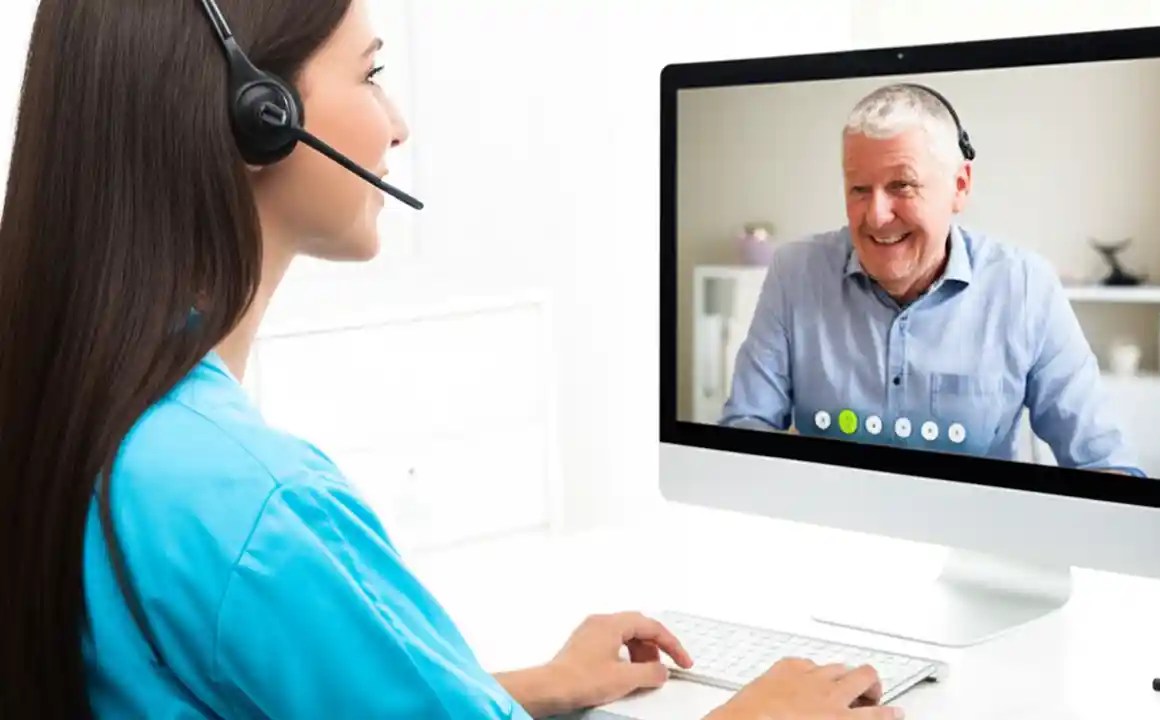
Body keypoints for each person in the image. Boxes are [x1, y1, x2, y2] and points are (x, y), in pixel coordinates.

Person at [0, 1, 905, 718]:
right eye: (372, 74)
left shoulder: (101, 421)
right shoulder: (254, 504)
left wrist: (529, 685)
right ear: (258, 116)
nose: (397, 124)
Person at [720, 83, 1142, 476]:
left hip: (977, 542)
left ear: (959, 186)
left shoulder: (1026, 286)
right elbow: (744, 426)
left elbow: (1104, 463)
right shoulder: (794, 272)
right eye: (859, 189)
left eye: (902, 185)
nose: (876, 216)